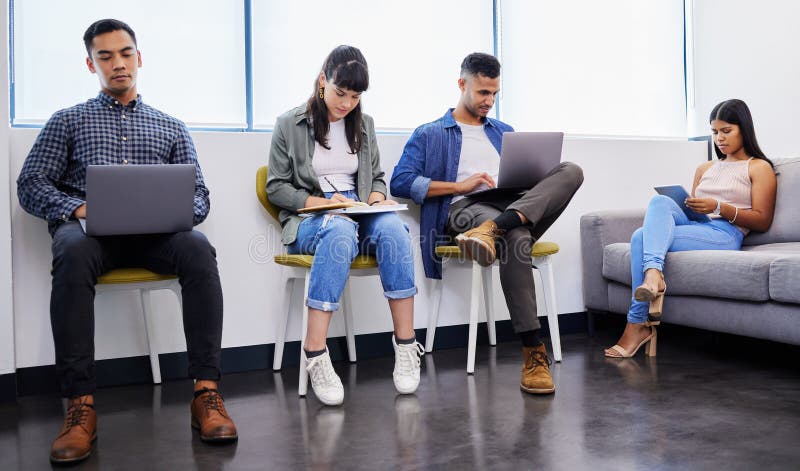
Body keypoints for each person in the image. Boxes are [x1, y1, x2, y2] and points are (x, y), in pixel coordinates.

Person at [16, 19, 237, 463]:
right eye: (105, 56)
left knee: (197, 249)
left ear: (140, 57)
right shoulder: (68, 121)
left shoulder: (171, 127)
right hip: (91, 237)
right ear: (90, 63)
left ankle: (206, 395)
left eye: (125, 53)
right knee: (71, 250)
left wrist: (175, 214)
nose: (118, 64)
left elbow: (200, 196)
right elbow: (31, 183)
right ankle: (80, 406)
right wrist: (79, 209)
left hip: (155, 238)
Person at [390, 52, 584, 394]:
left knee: (571, 170)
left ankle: (500, 226)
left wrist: (530, 185)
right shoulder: (431, 133)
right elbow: (401, 181)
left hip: (512, 205)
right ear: (462, 84)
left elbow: (533, 179)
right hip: (465, 209)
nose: (489, 101)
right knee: (517, 236)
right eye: (482, 92)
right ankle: (532, 350)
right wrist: (459, 186)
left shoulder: (504, 132)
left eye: (495, 94)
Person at [266, 45, 423, 406]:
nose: (347, 103)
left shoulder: (363, 124)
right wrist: (324, 205)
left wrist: (378, 198)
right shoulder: (289, 124)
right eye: (340, 92)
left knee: (395, 231)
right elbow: (276, 187)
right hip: (312, 219)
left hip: (359, 210)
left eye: (355, 96)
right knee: (338, 231)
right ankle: (316, 353)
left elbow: (378, 177)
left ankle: (405, 345)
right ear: (323, 81)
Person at [604, 99, 777, 358]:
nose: (719, 138)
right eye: (715, 132)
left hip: (725, 234)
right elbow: (694, 210)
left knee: (641, 237)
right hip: (698, 226)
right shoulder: (705, 167)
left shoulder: (759, 167)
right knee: (660, 201)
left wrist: (719, 206)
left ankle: (637, 323)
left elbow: (762, 220)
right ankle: (653, 277)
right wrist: (694, 207)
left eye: (726, 131)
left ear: (744, 129)